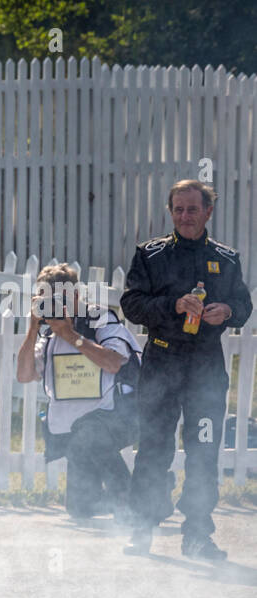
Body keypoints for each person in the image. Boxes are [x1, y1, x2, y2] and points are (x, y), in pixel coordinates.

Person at [122, 180, 253, 560]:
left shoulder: (227, 259)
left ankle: (197, 534)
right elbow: (132, 304)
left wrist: (226, 311)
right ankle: (142, 526)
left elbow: (243, 306)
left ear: (208, 212)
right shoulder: (150, 255)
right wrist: (173, 306)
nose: (184, 216)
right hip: (161, 364)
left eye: (192, 209)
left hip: (205, 369)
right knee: (153, 448)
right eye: (178, 209)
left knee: (204, 452)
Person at [16, 263, 141, 522]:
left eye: (59, 299)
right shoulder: (47, 335)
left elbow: (114, 362)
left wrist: (71, 336)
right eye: (46, 300)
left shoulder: (100, 320)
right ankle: (150, 494)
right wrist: (32, 329)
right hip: (74, 432)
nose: (54, 307)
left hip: (120, 416)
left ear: (75, 296)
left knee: (89, 433)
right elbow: (24, 375)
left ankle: (130, 502)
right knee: (80, 508)